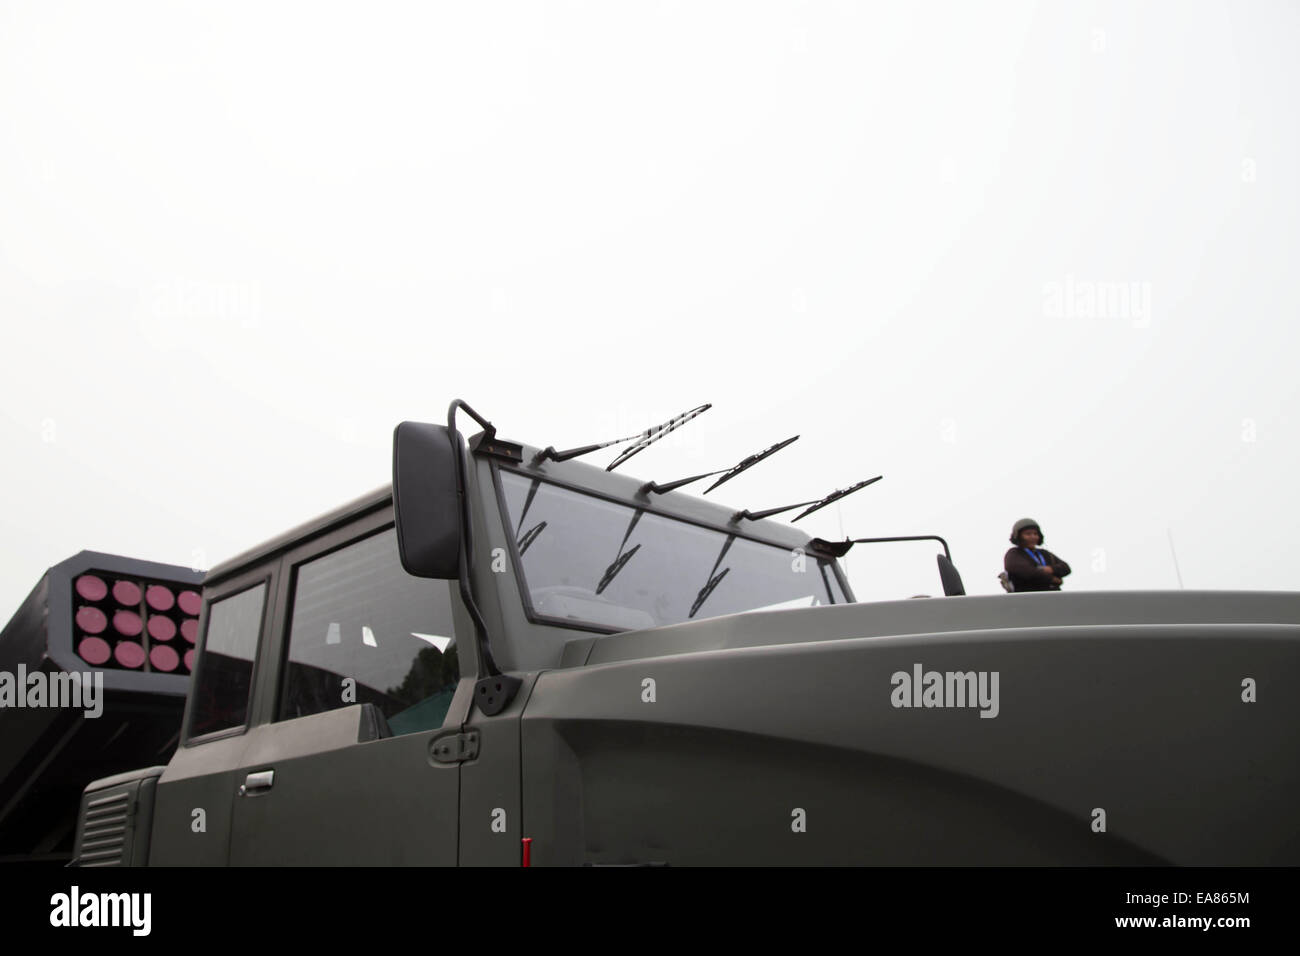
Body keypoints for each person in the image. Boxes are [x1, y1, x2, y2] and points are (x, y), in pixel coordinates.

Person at [1003, 518, 1071, 592]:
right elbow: (1027, 572)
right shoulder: (1014, 553)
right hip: (1027, 597)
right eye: (1028, 534)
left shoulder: (1045, 553)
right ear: (1018, 536)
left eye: (1035, 534)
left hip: (1052, 596)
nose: (1033, 537)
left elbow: (1066, 568)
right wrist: (1052, 579)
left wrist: (1050, 569)